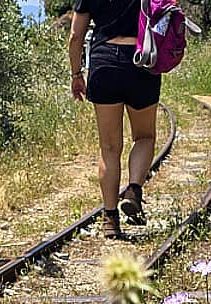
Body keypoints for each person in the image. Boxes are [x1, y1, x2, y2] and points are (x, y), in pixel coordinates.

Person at [68, 0, 159, 239]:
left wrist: (76, 74)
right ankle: (133, 190)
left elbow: (75, 36)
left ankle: (110, 218)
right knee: (145, 136)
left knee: (109, 147)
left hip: (104, 60)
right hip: (142, 59)